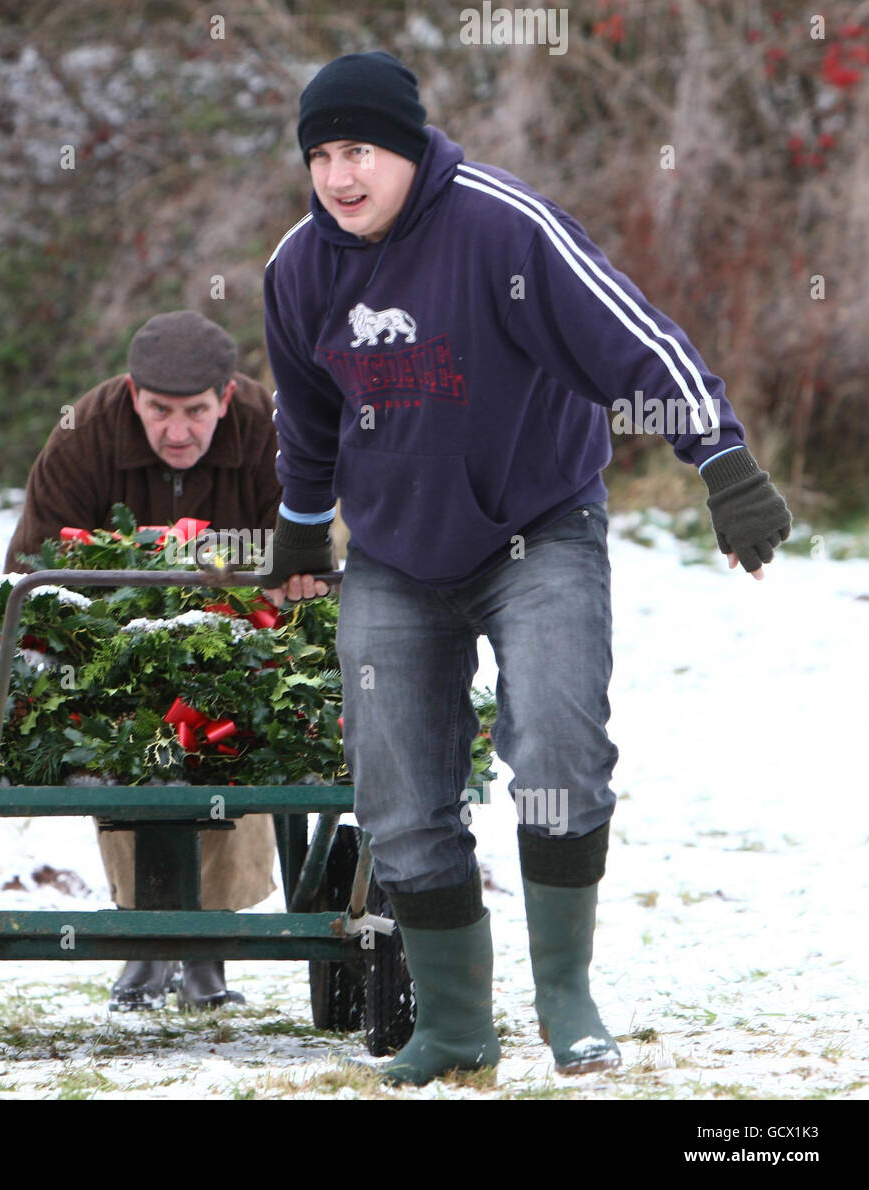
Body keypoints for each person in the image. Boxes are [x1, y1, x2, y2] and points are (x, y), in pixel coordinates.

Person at [260, 52, 792, 1085]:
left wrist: (721, 459)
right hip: (393, 554)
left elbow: (638, 341)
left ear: (408, 150)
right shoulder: (297, 267)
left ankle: (566, 997)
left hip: (535, 528)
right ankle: (455, 1025)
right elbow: (308, 417)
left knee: (555, 741)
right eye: (320, 154)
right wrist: (296, 528)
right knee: (399, 788)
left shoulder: (503, 228)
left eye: (358, 149)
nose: (338, 175)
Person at [5, 310, 284, 1010]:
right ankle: (146, 935)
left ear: (226, 397)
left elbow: (308, 554)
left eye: (196, 411)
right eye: (159, 411)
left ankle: (205, 945)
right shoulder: (86, 432)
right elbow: (31, 564)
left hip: (243, 639)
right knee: (125, 735)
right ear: (133, 395)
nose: (179, 431)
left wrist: (265, 599)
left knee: (246, 727)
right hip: (113, 646)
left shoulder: (273, 430)